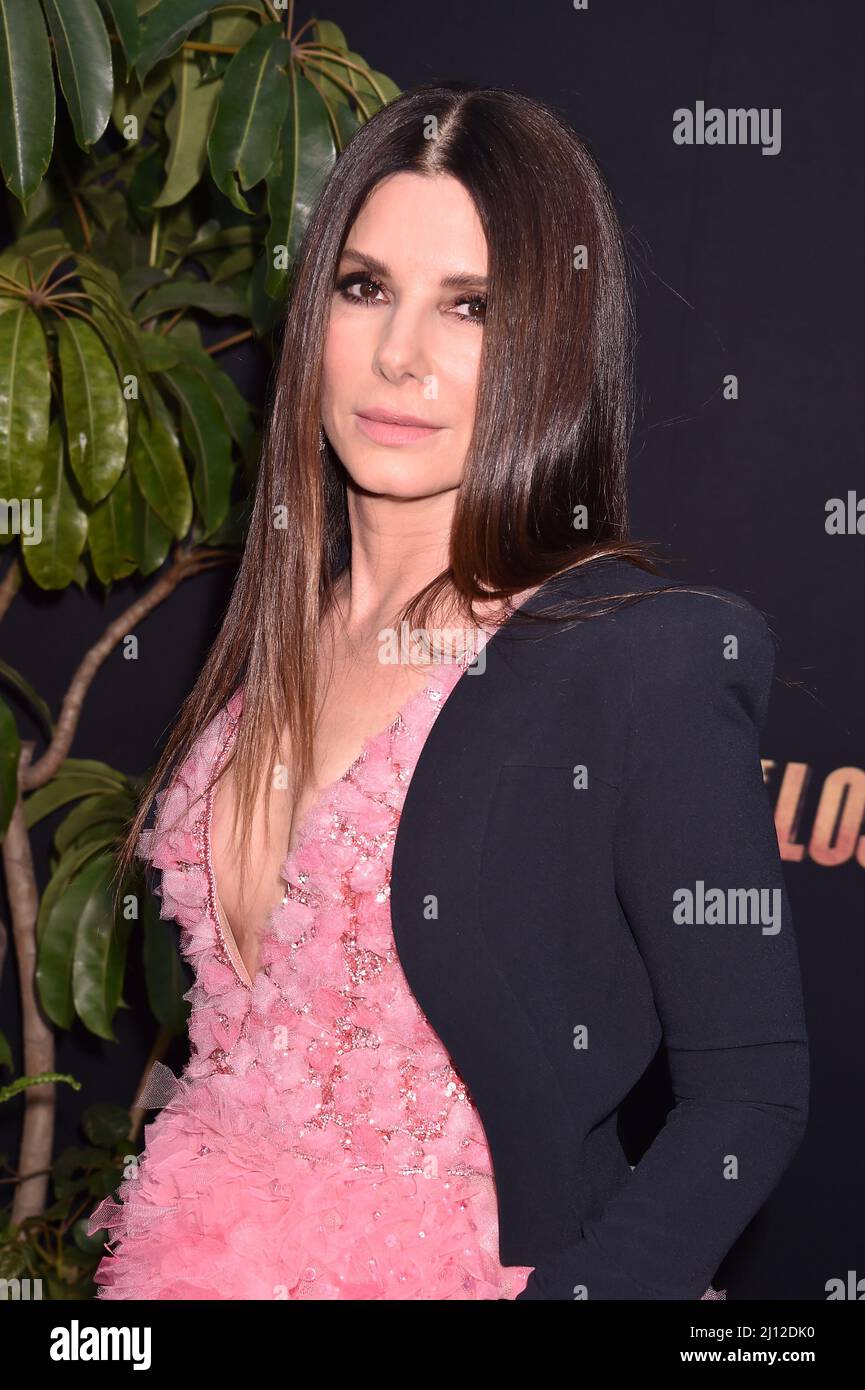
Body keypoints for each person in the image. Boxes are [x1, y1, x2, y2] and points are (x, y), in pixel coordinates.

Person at [87, 81, 808, 1300]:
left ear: (552, 343)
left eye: (470, 307)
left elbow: (748, 1097)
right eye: (365, 288)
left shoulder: (632, 662)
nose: (400, 355)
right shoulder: (273, 634)